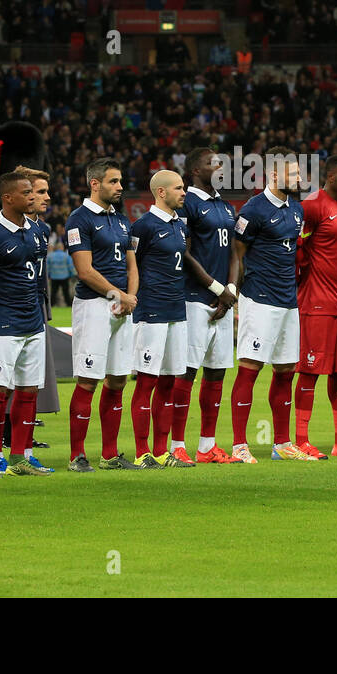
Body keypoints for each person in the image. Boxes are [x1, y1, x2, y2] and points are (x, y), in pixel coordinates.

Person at [129, 169, 221, 468]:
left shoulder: (180, 227)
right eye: (179, 188)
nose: (184, 193)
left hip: (176, 311)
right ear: (161, 193)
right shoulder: (143, 226)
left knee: (169, 382)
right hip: (151, 312)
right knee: (146, 382)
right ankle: (142, 452)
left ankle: (161, 450)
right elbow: (134, 266)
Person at [0, 172, 54, 476]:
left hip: (33, 321)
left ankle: (19, 457)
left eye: (34, 191)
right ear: (8, 198)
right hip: (3, 322)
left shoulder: (36, 231)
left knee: (29, 391)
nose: (33, 196)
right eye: (27, 192)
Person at [227, 147, 308, 463]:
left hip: (289, 301)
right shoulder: (254, 209)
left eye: (300, 172)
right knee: (250, 369)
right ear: (274, 174)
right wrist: (236, 292)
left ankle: (282, 444)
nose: (299, 178)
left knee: (286, 371)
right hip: (259, 299)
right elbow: (238, 253)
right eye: (293, 173)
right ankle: (239, 445)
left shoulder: (296, 210)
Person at [64, 158, 139, 471]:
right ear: (94, 184)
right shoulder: (78, 219)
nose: (120, 187)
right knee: (88, 380)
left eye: (120, 181)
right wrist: (117, 295)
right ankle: (77, 456)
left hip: (123, 307)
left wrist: (131, 297)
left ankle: (110, 454)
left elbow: (132, 264)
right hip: (94, 307)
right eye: (113, 181)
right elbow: (84, 270)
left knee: (118, 379)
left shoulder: (121, 221)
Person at [295, 154, 337, 458]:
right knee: (310, 372)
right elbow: (299, 250)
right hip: (317, 303)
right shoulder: (312, 206)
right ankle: (300, 440)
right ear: (331, 177)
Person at [179, 148, 241, 464]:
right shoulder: (186, 203)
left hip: (222, 303)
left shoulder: (226, 206)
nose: (218, 167)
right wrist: (217, 288)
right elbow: (185, 253)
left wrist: (230, 290)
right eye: (211, 163)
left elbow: (233, 253)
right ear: (194, 171)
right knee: (186, 373)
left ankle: (206, 447)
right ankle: (177, 444)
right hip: (194, 299)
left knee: (216, 374)